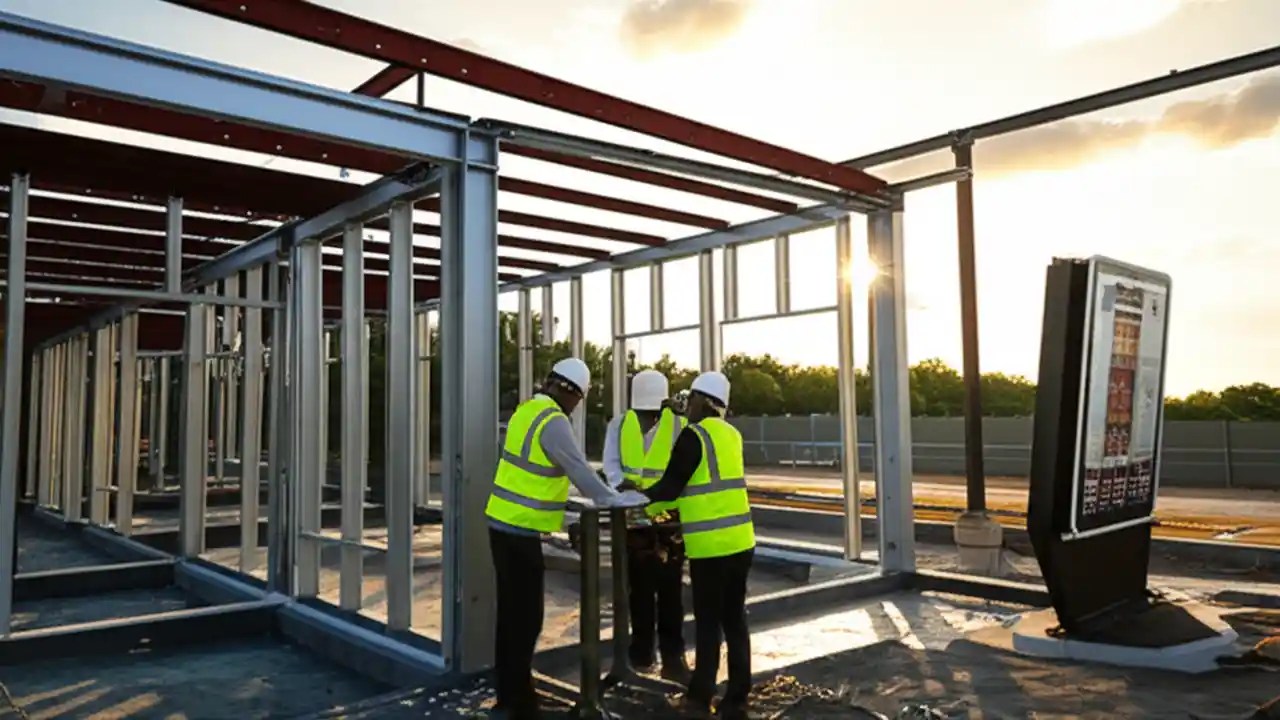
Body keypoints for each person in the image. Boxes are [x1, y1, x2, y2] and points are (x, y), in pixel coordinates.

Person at [486, 357, 647, 720]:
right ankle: (518, 703)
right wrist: (613, 499)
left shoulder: (528, 410)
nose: (576, 407)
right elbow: (578, 469)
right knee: (526, 620)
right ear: (572, 393)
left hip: (503, 523)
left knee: (510, 617)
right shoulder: (553, 421)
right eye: (579, 399)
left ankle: (510, 696)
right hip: (520, 531)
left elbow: (545, 471)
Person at [641, 371, 755, 720]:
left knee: (708, 623)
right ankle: (737, 697)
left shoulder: (694, 436)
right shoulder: (732, 434)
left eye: (690, 399)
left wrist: (634, 500)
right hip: (741, 540)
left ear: (703, 401)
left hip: (711, 546)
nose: (686, 406)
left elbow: (670, 486)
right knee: (734, 619)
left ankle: (700, 698)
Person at [602, 370, 690, 681]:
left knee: (669, 591)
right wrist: (620, 485)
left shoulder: (678, 426)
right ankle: (642, 655)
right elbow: (611, 465)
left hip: (667, 519)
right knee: (639, 589)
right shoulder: (619, 424)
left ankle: (671, 658)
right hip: (636, 517)